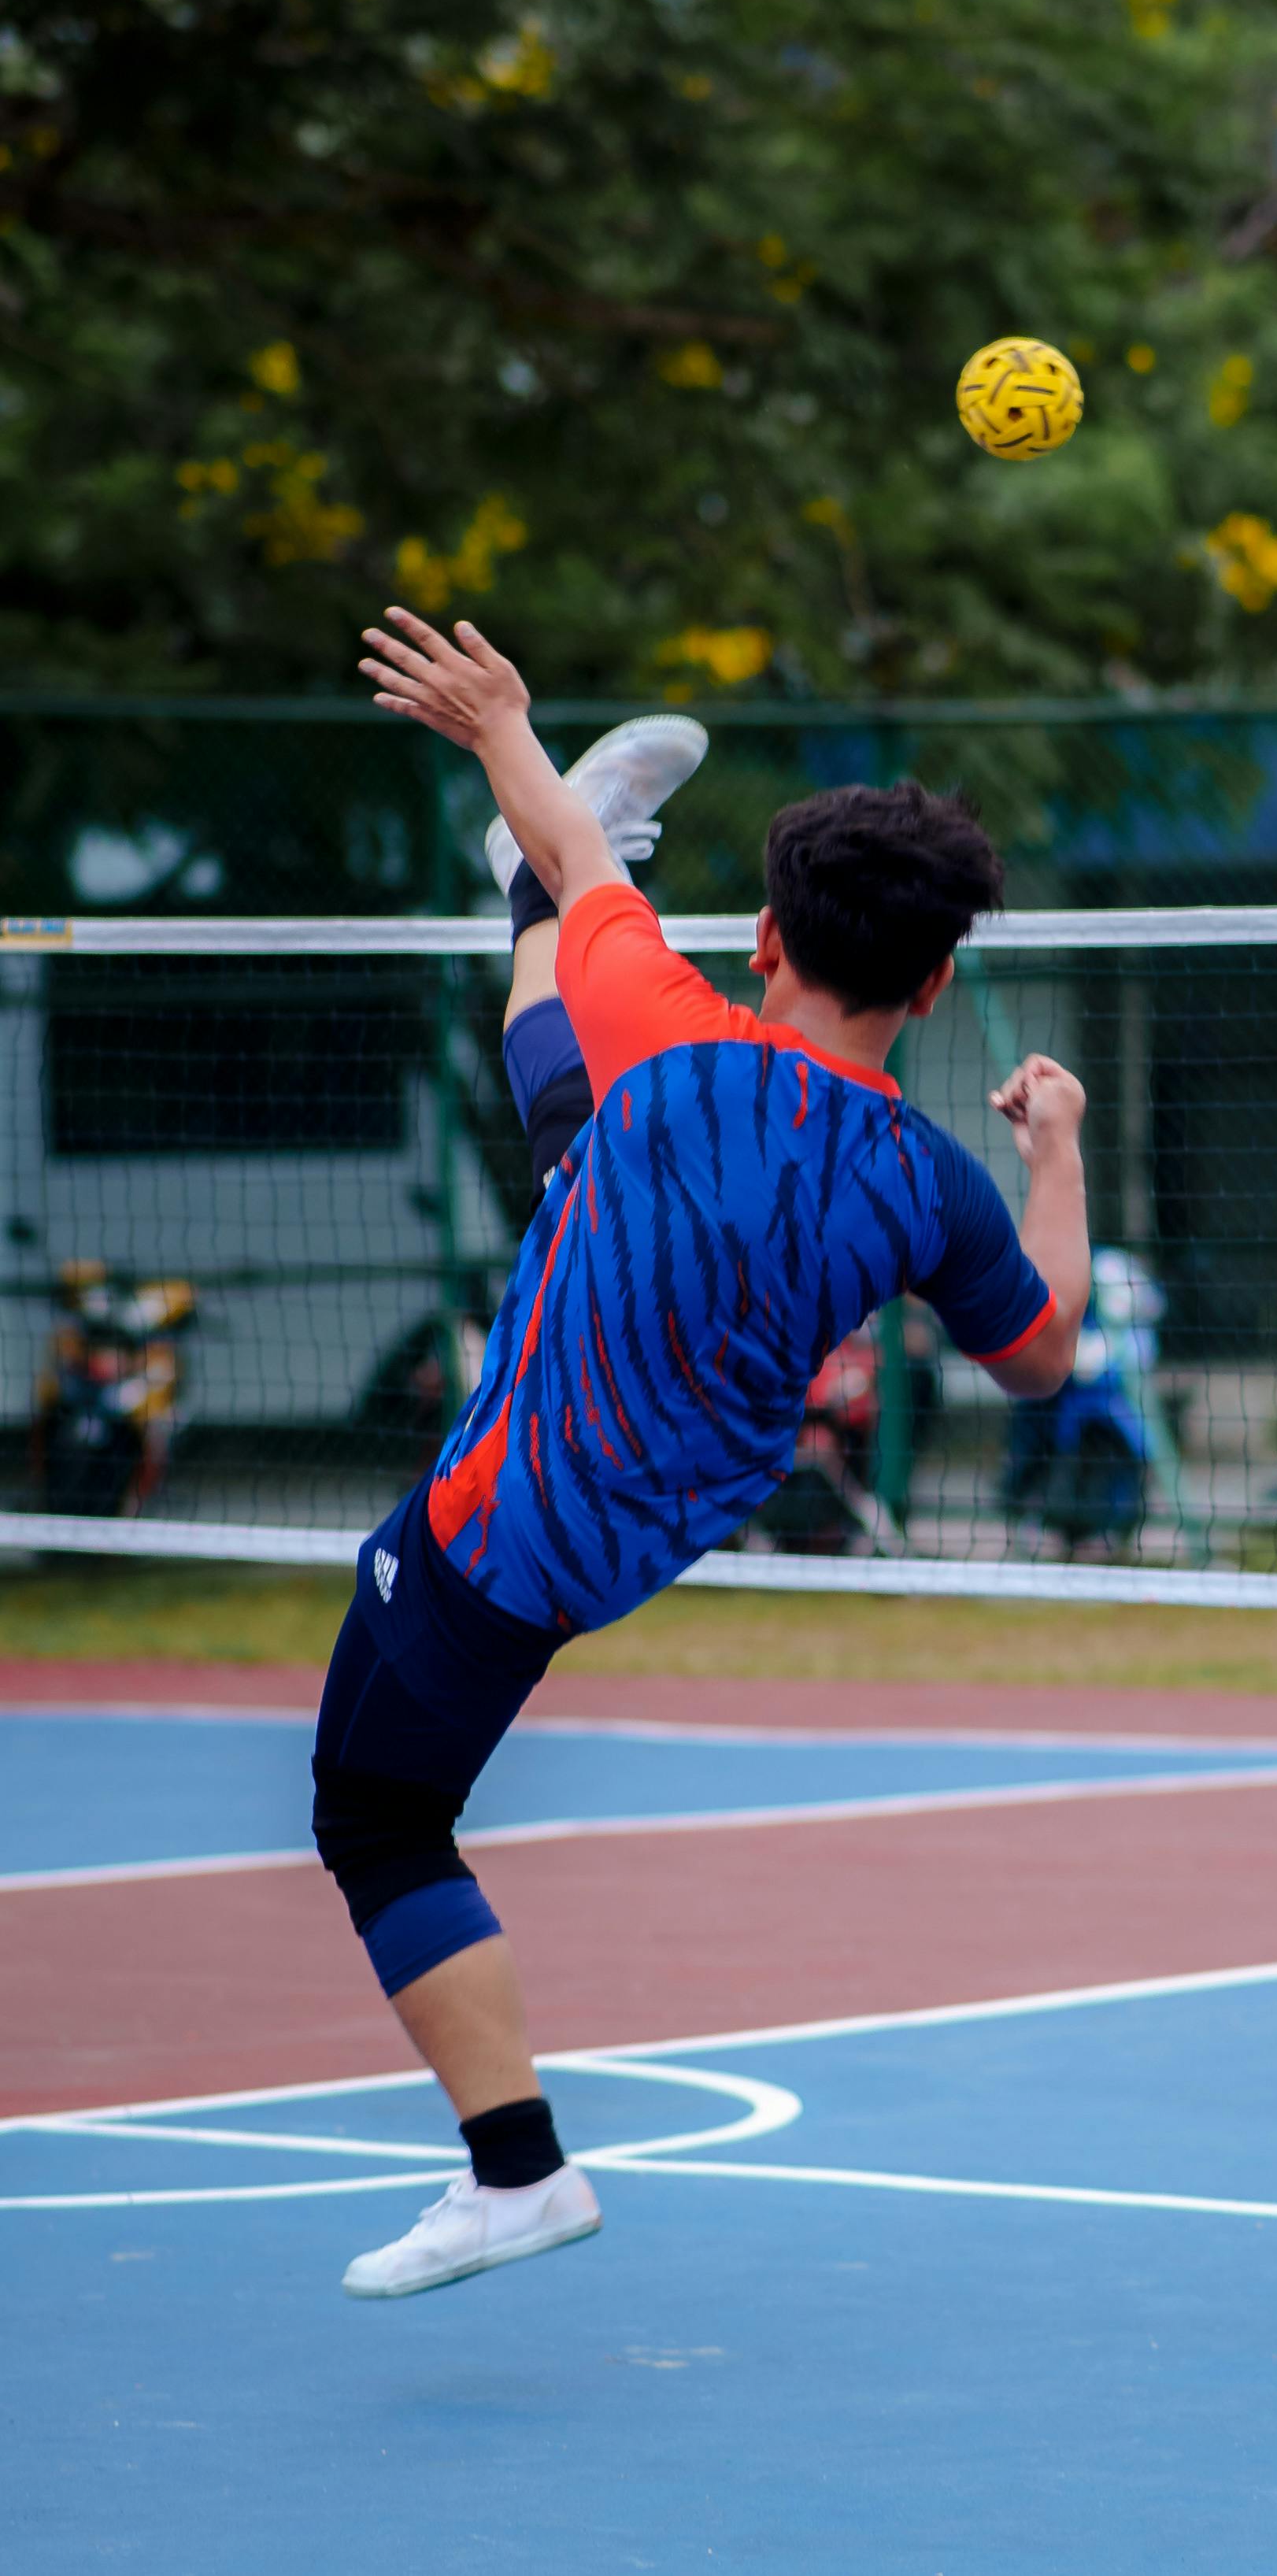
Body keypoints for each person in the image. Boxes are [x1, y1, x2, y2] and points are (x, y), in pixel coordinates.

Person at [317, 606, 1090, 2297]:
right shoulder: (930, 1181)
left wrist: (504, 725)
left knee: (374, 1815)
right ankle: (516, 906)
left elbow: (579, 842)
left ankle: (516, 2174)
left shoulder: (667, 1021)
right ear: (940, 983)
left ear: (759, 937)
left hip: (507, 1516)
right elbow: (1043, 1358)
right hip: (659, 1502)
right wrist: (1058, 1153)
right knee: (573, 1124)